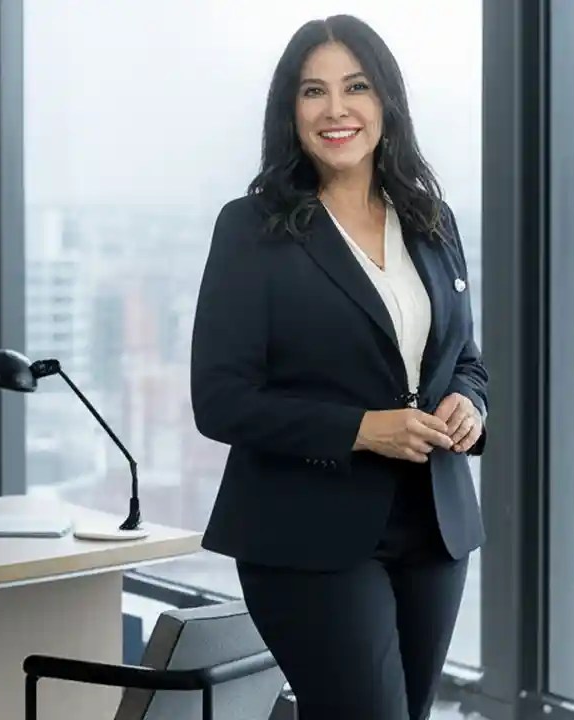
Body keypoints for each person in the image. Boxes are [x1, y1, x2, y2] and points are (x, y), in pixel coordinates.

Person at [189, 14, 489, 720]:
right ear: (289, 113)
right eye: (312, 92)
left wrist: (472, 405)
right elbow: (221, 400)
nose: (336, 109)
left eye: (355, 87)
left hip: (435, 527)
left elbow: (465, 361)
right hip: (307, 531)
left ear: (385, 100)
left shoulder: (431, 221)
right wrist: (363, 429)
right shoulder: (251, 229)